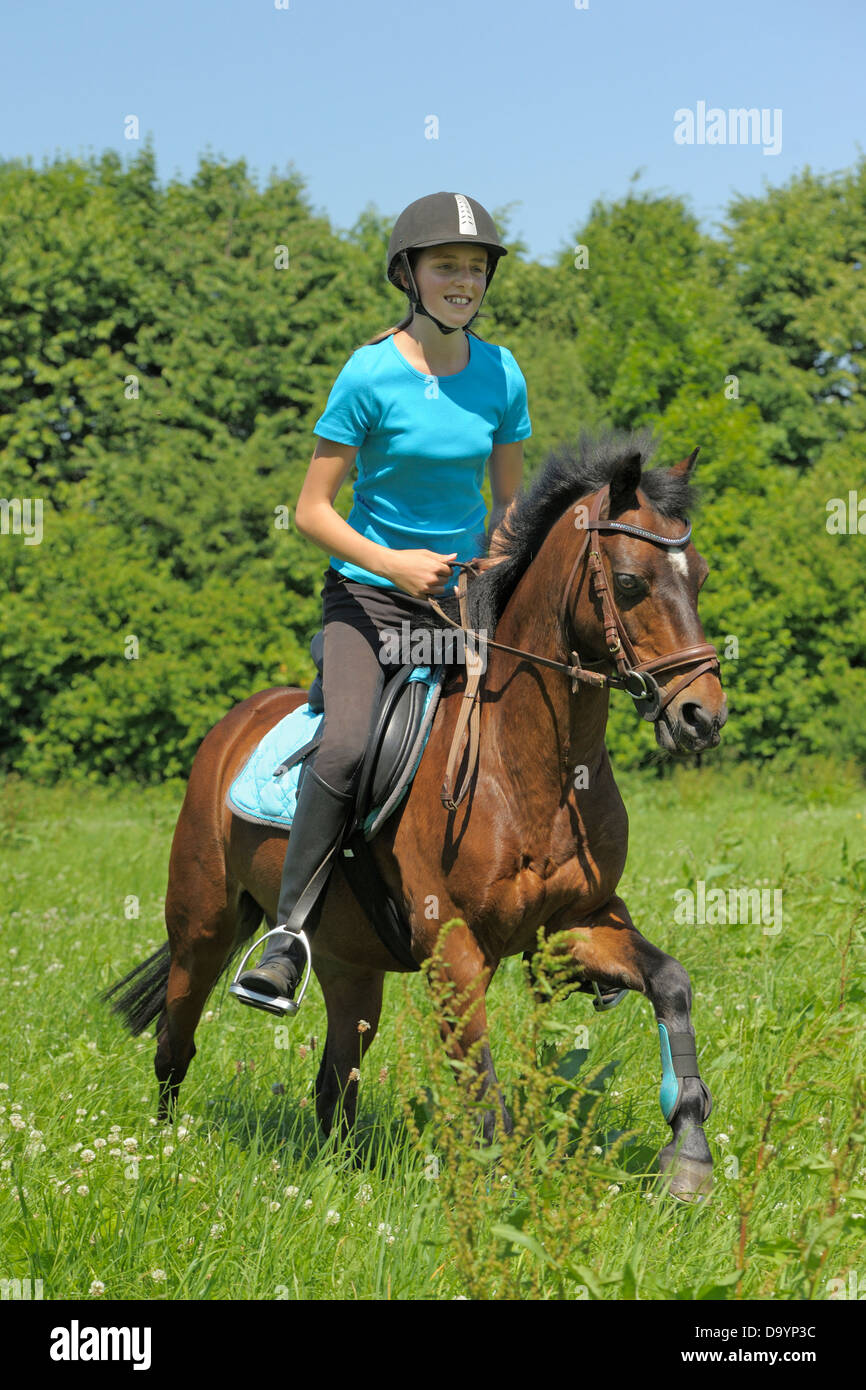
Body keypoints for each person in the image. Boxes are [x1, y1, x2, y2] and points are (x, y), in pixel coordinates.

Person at [234, 191, 532, 1016]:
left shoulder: (502, 373)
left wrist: (490, 572)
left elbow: (508, 506)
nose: (462, 281)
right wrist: (393, 565)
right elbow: (313, 511)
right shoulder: (368, 372)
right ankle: (288, 935)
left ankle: (556, 906)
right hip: (372, 604)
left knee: (538, 722)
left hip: (459, 607)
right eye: (447, 266)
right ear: (409, 274)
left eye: (474, 268)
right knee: (347, 745)